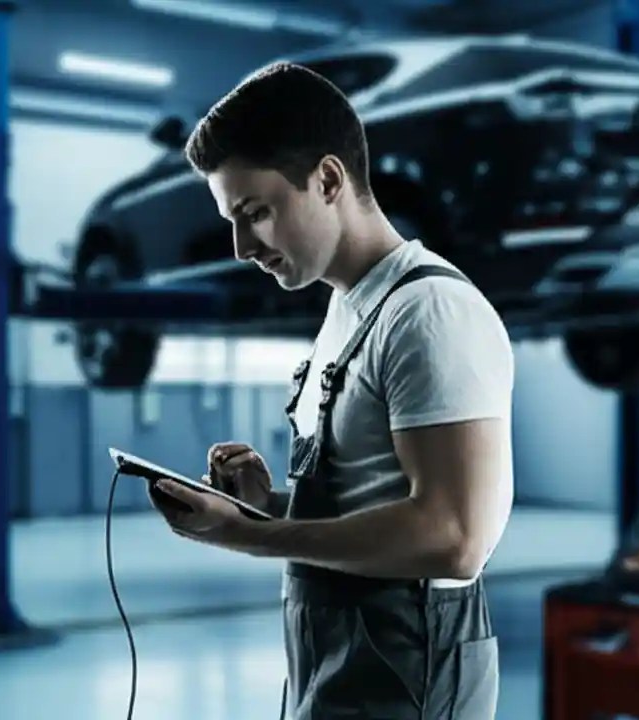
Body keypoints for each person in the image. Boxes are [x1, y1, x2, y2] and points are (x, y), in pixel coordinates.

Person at [147, 61, 515, 719]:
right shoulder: (348, 308)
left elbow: (454, 535)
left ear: (327, 180)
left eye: (254, 212)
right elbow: (376, 501)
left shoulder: (428, 313)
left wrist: (245, 537)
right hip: (337, 655)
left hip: (410, 662)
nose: (239, 245)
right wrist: (269, 505)